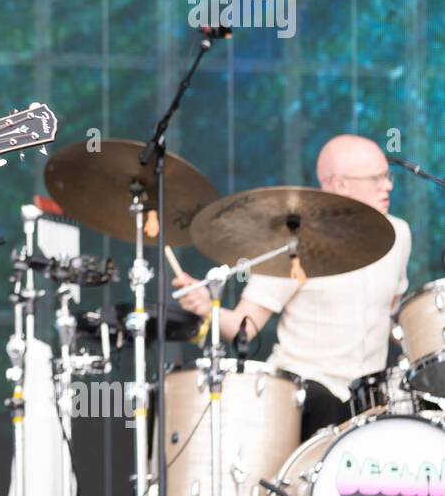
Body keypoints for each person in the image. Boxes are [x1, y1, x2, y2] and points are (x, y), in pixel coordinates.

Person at [173, 134, 411, 439]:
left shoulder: (399, 235)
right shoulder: (293, 244)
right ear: (339, 184)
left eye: (387, 176)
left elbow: (389, 314)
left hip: (367, 398)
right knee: (322, 406)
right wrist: (208, 308)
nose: (388, 185)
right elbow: (245, 327)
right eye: (377, 178)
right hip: (307, 391)